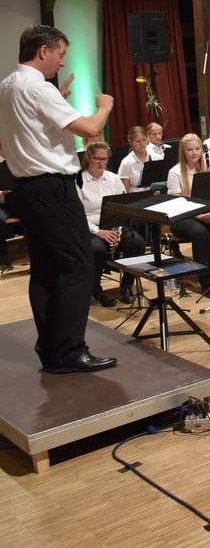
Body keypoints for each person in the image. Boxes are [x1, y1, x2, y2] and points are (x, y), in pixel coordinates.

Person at [0, 25, 117, 372]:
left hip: (26, 189)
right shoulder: (38, 87)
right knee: (78, 264)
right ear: (43, 51)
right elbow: (91, 129)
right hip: (52, 188)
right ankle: (69, 350)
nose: (62, 62)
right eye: (60, 54)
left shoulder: (7, 85)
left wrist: (59, 101)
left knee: (45, 268)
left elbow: (18, 138)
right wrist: (105, 106)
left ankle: (51, 348)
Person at [77, 141, 146, 307]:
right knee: (98, 250)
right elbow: (78, 215)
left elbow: (122, 207)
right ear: (88, 158)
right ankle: (96, 289)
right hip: (90, 229)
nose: (101, 163)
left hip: (114, 226)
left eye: (104, 159)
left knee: (138, 244)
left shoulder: (113, 179)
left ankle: (127, 286)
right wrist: (98, 232)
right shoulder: (79, 181)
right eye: (97, 159)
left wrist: (119, 228)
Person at [167, 134, 210, 296]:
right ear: (183, 152)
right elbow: (175, 204)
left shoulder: (208, 169)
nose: (194, 152)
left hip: (204, 213)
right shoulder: (175, 172)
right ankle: (206, 281)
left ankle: (204, 269)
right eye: (190, 150)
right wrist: (200, 217)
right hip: (181, 217)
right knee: (200, 232)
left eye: (197, 149)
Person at [118, 125, 154, 192]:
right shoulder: (126, 163)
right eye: (137, 141)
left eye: (144, 140)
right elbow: (125, 191)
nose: (142, 144)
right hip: (136, 196)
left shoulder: (156, 157)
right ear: (130, 142)